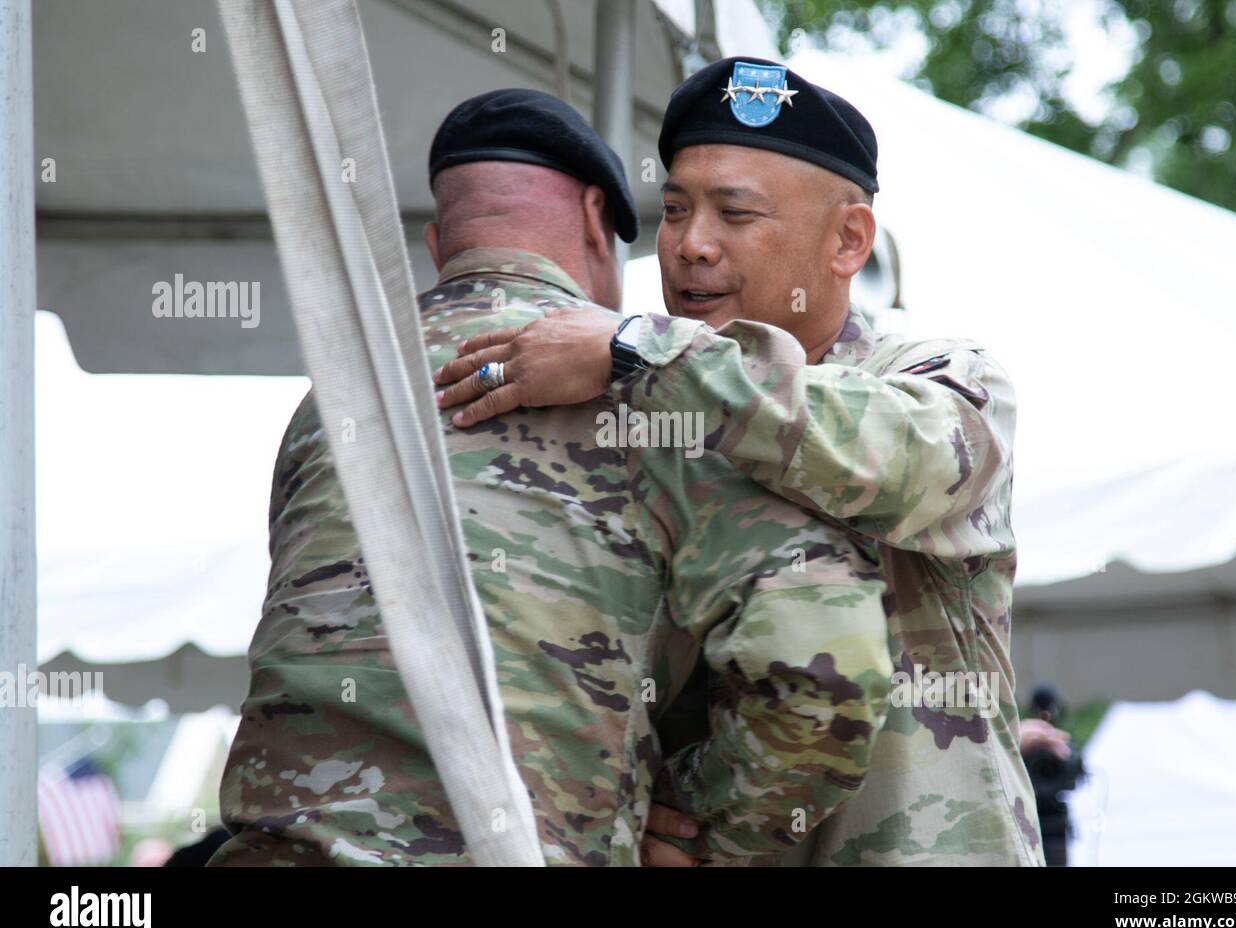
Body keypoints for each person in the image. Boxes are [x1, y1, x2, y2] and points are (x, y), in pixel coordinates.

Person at [210, 89, 893, 867]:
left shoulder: (331, 399)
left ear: (440, 244)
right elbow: (824, 662)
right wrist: (706, 830)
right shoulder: (661, 392)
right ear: (599, 226)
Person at [435, 59, 1045, 866]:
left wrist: (634, 350)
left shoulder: (942, 378)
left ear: (848, 240)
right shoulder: (647, 411)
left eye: (735, 214)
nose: (690, 247)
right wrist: (660, 806)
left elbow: (897, 458)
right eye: (677, 209)